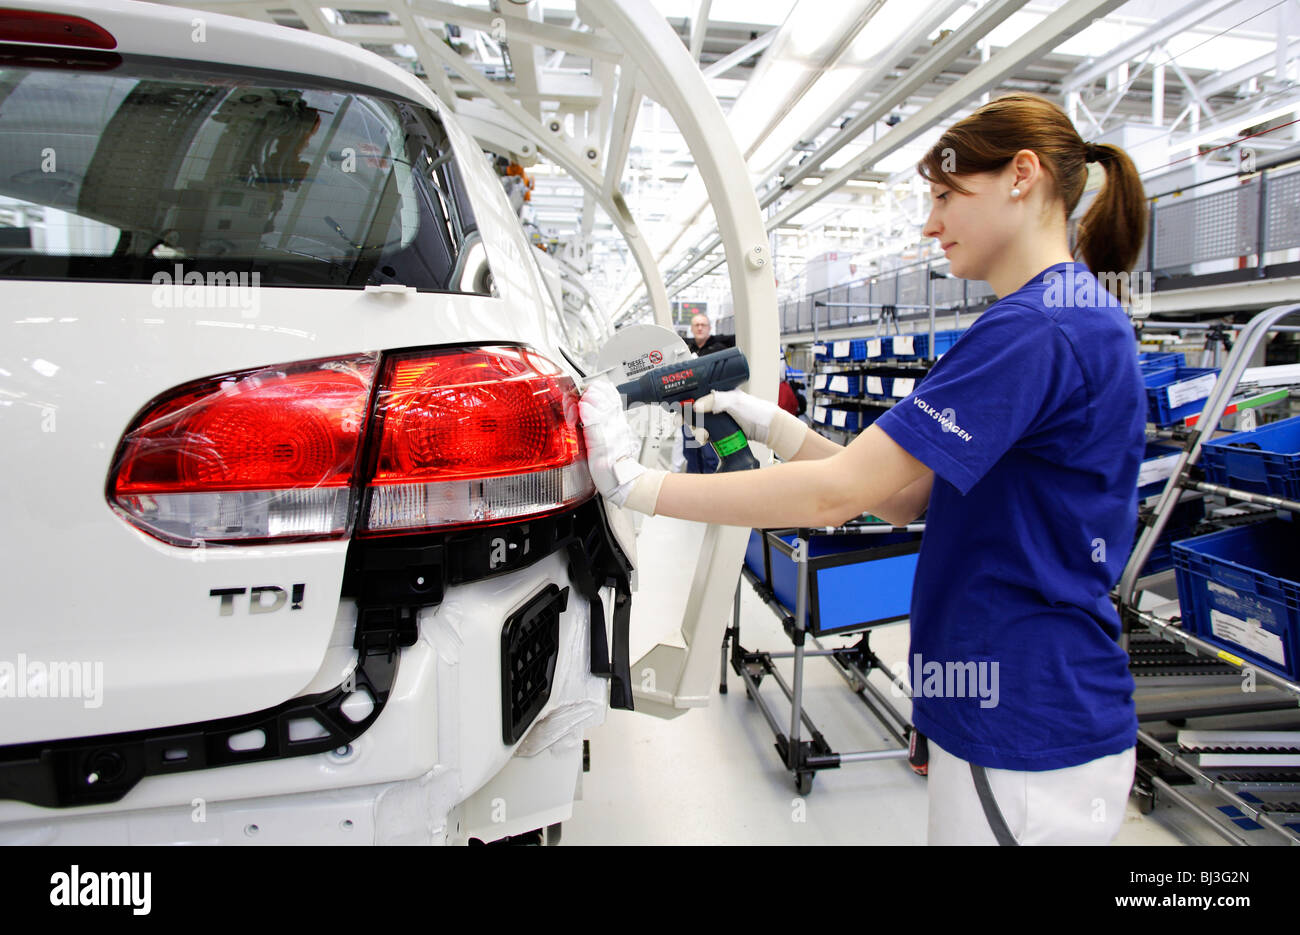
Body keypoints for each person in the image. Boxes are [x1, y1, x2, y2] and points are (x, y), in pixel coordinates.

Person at [580, 93, 1149, 846]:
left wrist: (636, 484)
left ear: (1022, 175)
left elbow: (837, 497)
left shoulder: (1037, 326)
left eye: (947, 194)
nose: (930, 222)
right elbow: (902, 493)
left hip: (1023, 714)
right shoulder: (1067, 314)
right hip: (1033, 702)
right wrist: (775, 424)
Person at [679, 313, 734, 473]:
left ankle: (710, 488)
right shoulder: (686, 349)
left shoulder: (719, 348)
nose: (700, 328)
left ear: (709, 328)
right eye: (696, 325)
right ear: (692, 328)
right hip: (688, 409)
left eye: (703, 324)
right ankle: (694, 489)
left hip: (709, 409)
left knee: (709, 454)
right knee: (691, 452)